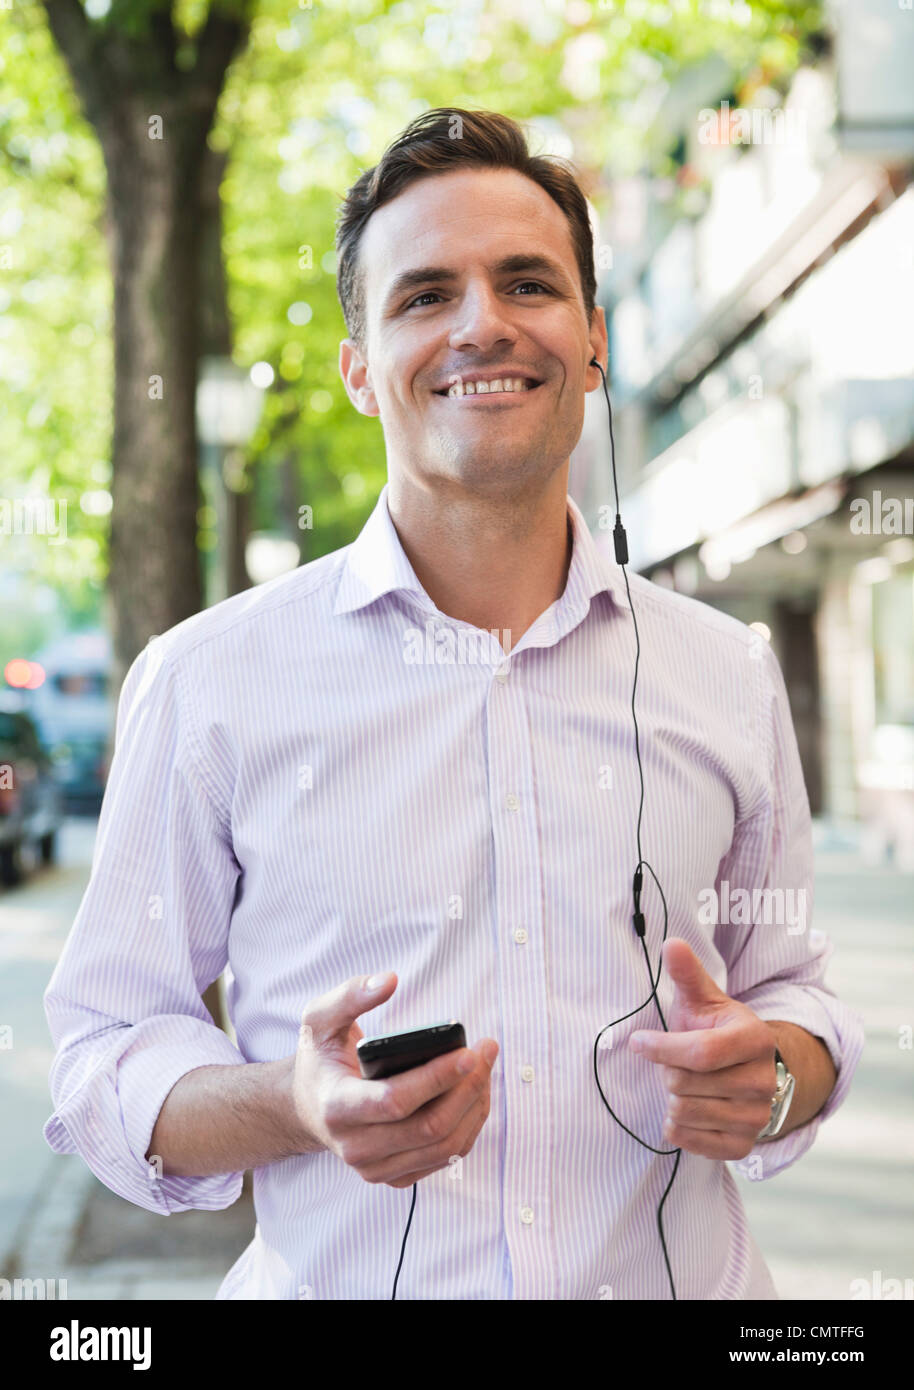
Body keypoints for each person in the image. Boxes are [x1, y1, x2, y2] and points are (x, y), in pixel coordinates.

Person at [43, 107, 864, 1300]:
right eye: (424, 295)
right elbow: (102, 1060)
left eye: (525, 282)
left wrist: (777, 1071)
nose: (482, 322)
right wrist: (293, 1102)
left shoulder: (726, 670)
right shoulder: (205, 680)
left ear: (590, 338)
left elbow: (792, 992)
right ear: (360, 369)